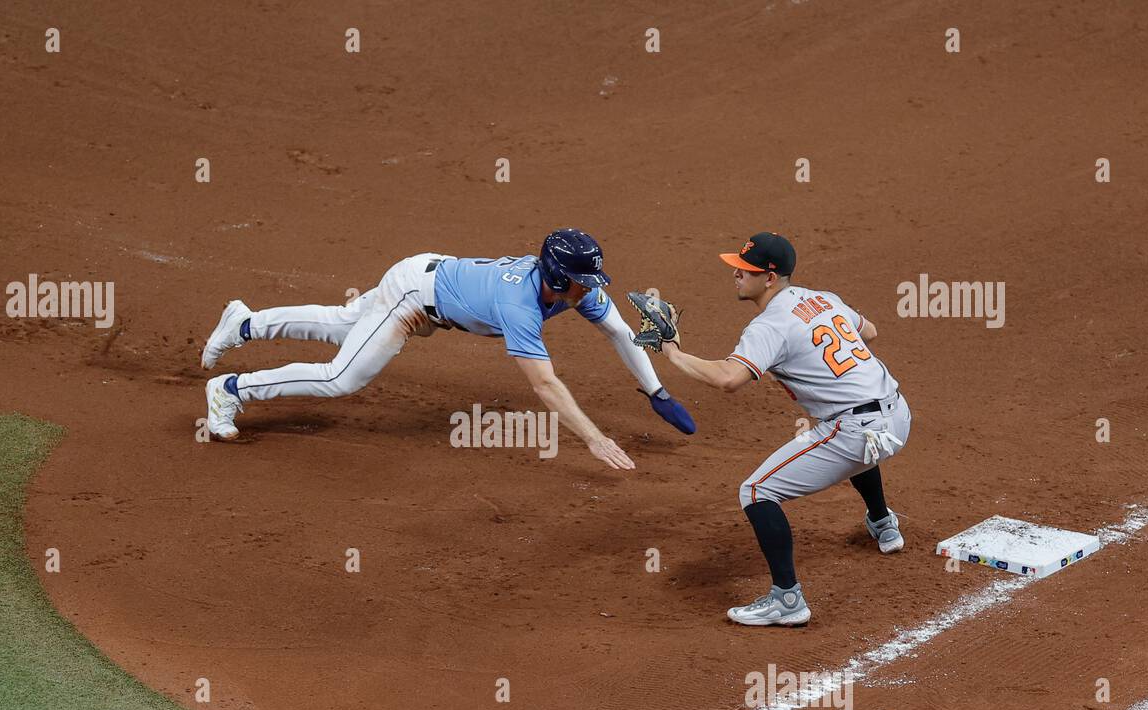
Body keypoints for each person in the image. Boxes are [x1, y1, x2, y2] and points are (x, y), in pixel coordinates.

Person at [201, 228, 695, 467]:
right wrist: (592, 437)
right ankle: (232, 390)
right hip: (415, 297)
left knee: (343, 324)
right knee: (341, 376)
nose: (592, 289)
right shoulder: (519, 304)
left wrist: (656, 392)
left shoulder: (575, 290)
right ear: (559, 278)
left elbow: (618, 331)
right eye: (584, 282)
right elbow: (544, 382)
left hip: (428, 273)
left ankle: (244, 323)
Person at [652, 232, 911, 626]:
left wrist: (672, 352)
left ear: (769, 278)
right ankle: (882, 522)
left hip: (857, 430)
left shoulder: (769, 326)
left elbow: (728, 379)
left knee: (756, 491)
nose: (736, 275)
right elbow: (870, 331)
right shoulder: (823, 297)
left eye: (745, 270)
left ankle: (787, 600)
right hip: (898, 416)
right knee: (847, 440)